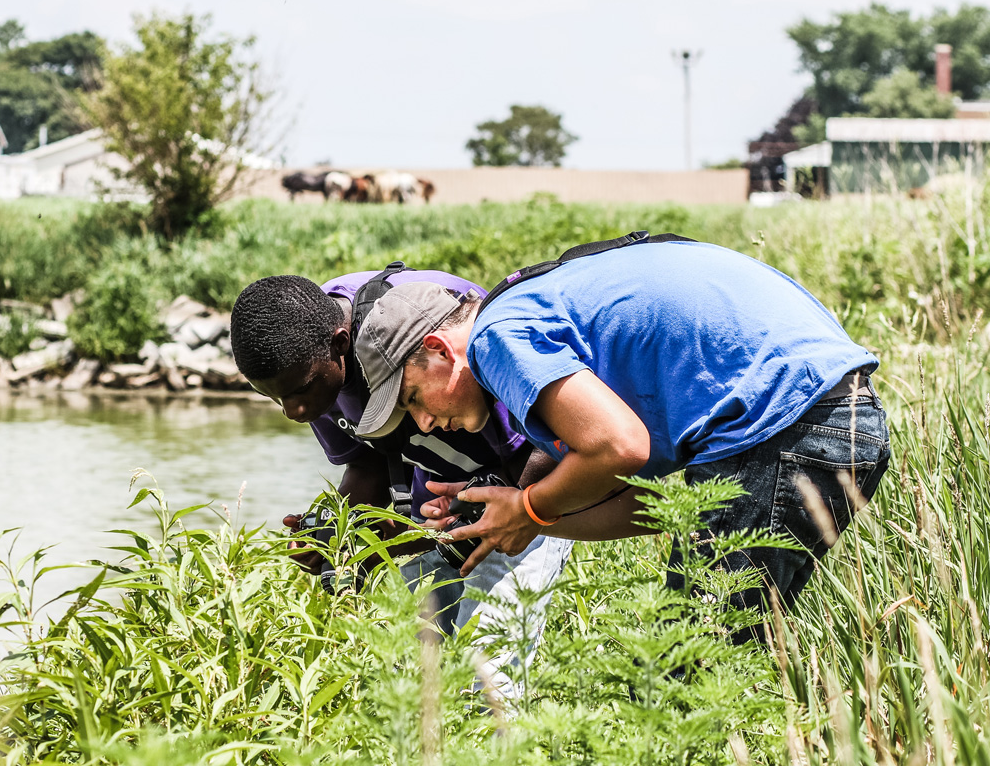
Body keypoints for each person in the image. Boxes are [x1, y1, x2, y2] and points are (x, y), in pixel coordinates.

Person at [352, 237, 892, 641]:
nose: (422, 425)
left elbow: (620, 446)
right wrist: (525, 521)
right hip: (838, 419)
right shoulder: (541, 311)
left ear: (438, 349)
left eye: (413, 399)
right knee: (728, 657)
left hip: (783, 425)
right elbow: (656, 505)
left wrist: (529, 505)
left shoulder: (497, 338)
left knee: (687, 673)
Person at [229, 271, 572, 695]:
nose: (293, 411)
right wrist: (341, 539)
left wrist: (467, 520)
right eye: (273, 397)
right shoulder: (303, 354)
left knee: (485, 682)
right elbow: (367, 463)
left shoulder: (402, 330)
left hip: (532, 491)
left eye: (298, 392)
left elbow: (545, 447)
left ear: (340, 346)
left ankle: (502, 758)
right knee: (417, 679)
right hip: (443, 514)